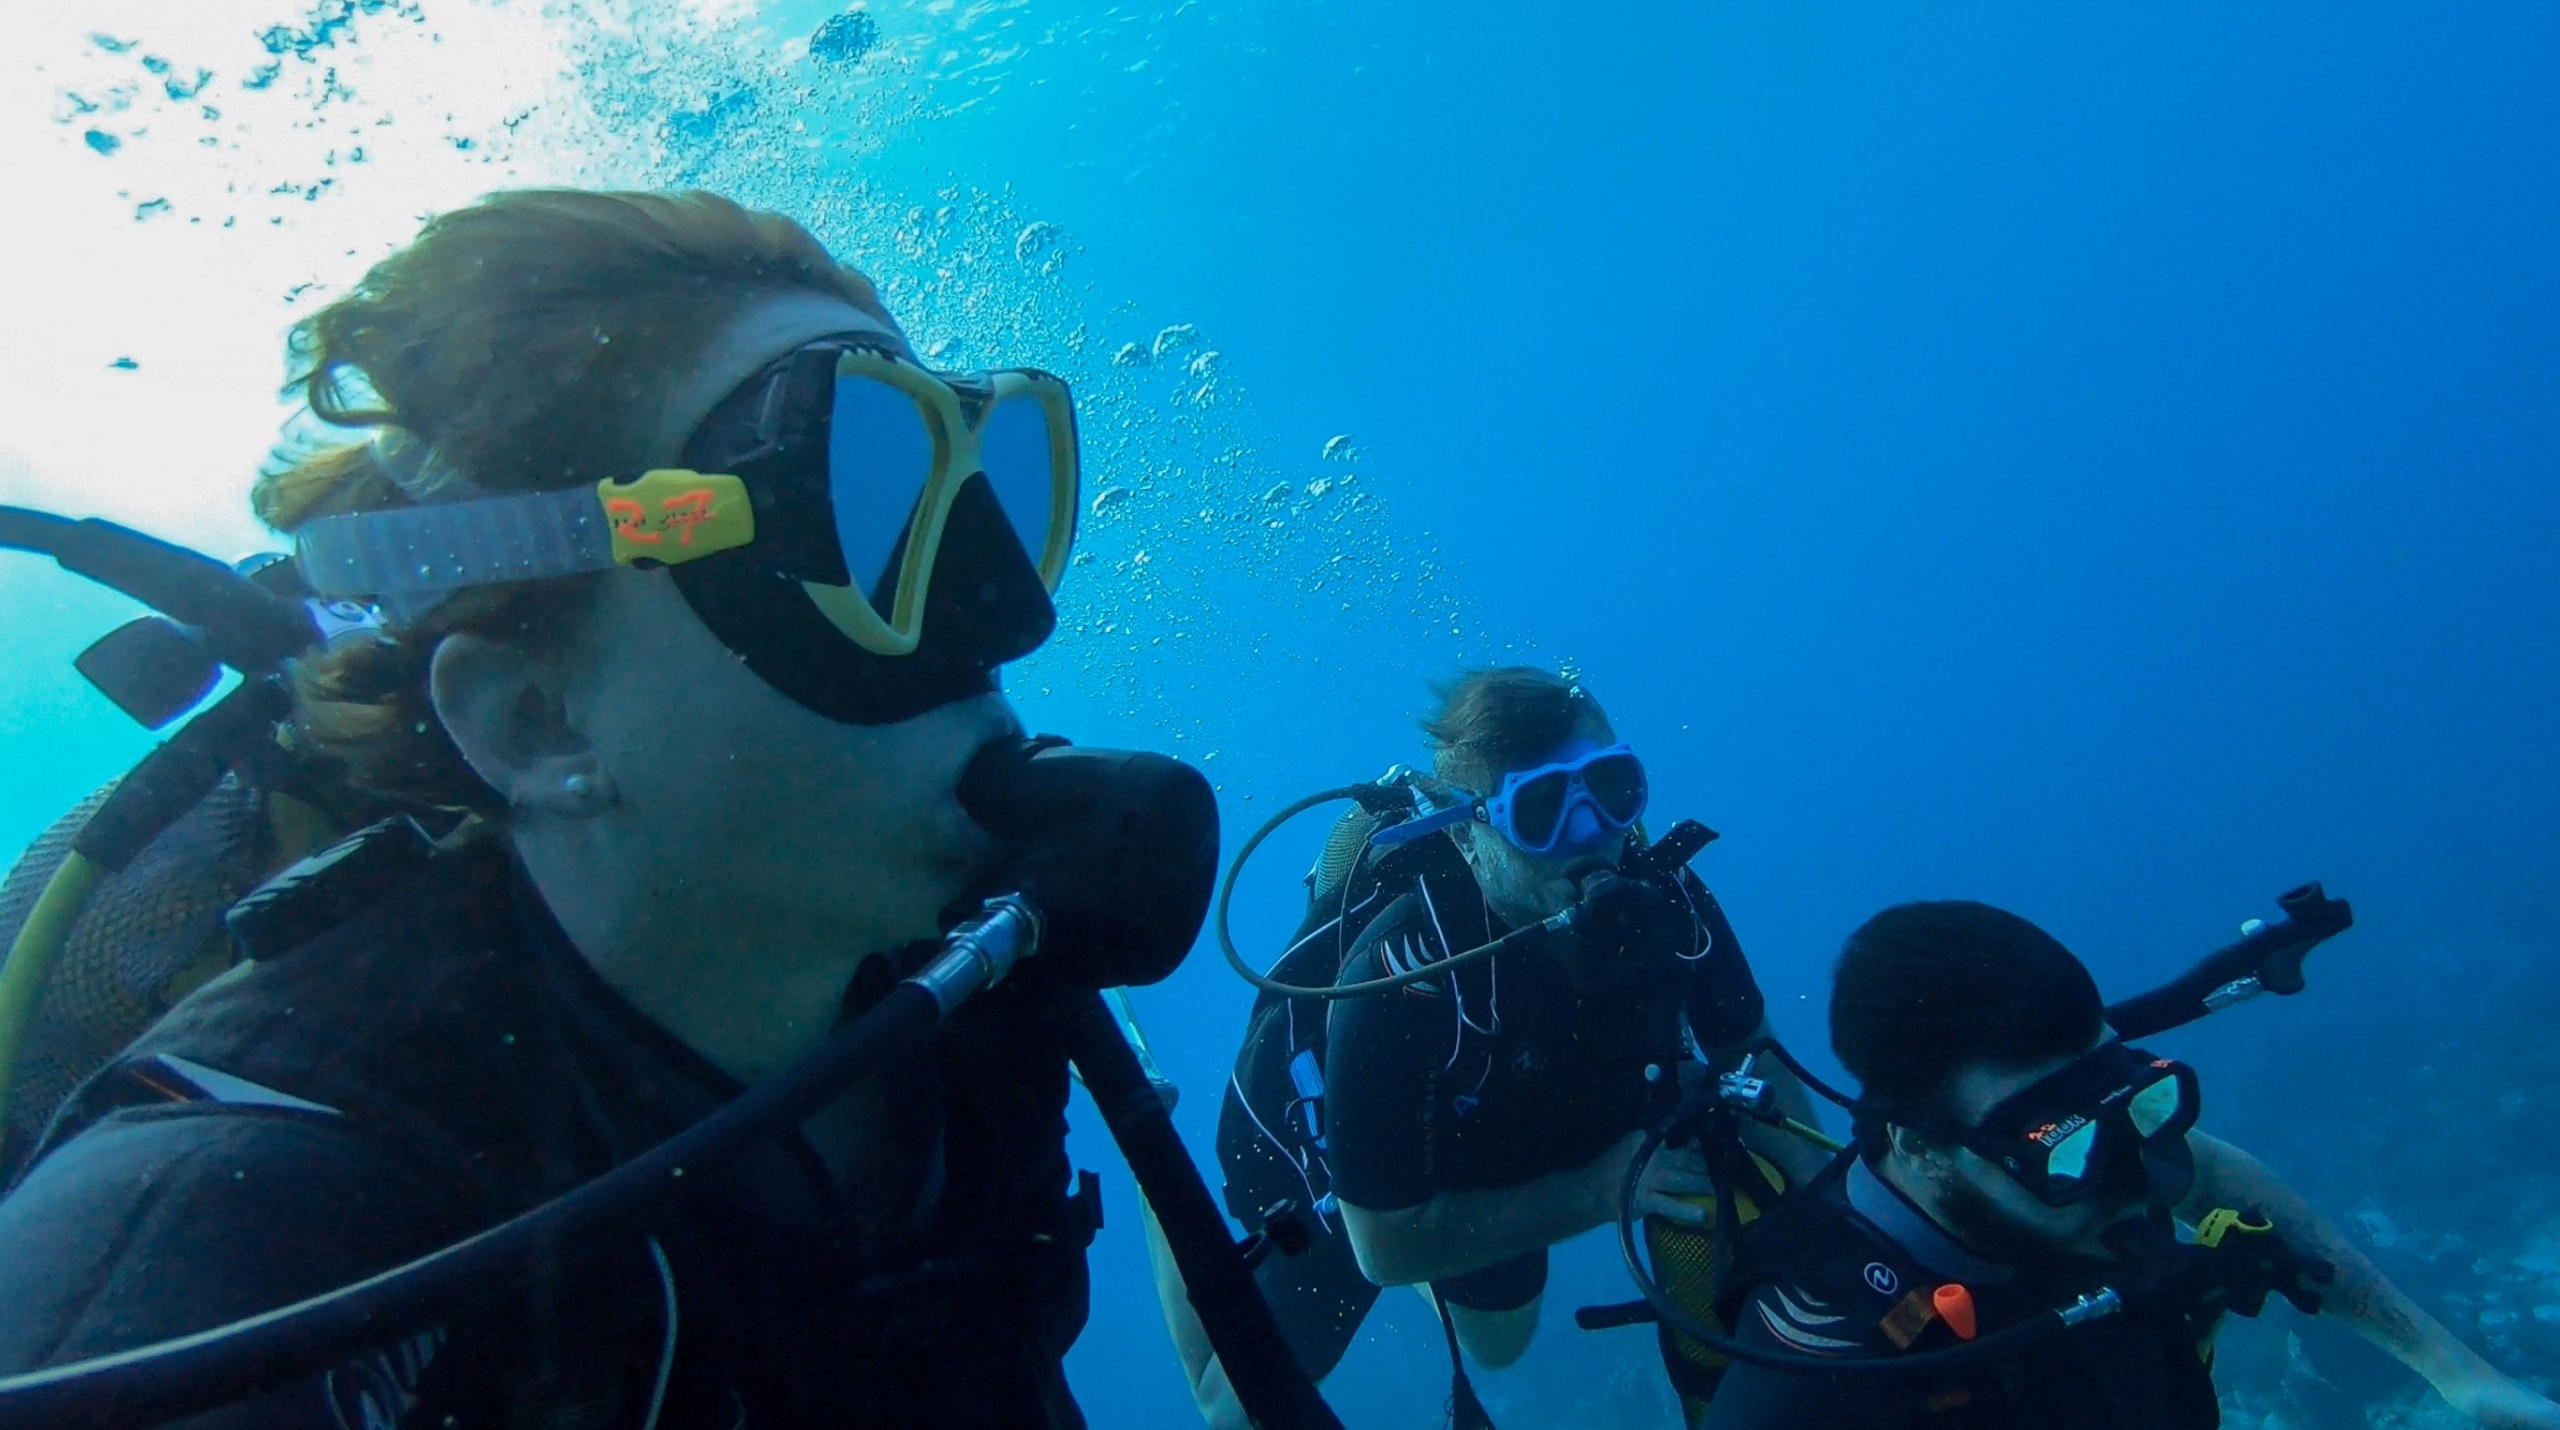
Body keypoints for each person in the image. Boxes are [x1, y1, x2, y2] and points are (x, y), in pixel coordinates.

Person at [0, 189, 1123, 1427]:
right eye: (863, 512)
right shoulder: (246, 1211)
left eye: (986, 504)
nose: (1005, 611)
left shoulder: (974, 995)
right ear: (538, 718)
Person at [1152, 667, 1835, 1426]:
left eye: (1611, 790)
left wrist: (1832, 1199)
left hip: (1499, 1137)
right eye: (1543, 809)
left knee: (1500, 1345)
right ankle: (1152, 1149)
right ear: (1469, 838)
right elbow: (1381, 1250)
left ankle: (1440, 1251)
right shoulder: (1402, 969)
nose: (1592, 835)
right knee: (1230, 1404)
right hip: (1341, 1160)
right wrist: (1600, 1189)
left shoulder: (1664, 894)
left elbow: (1751, 1046)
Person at [1699, 900, 2560, 1429]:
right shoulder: (1816, 1375)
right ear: (1920, 1144)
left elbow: (2217, 1174)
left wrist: (2458, 1376)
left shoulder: (2097, 1154)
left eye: (2128, 1101)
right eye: (2054, 1143)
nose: (2136, 1176)